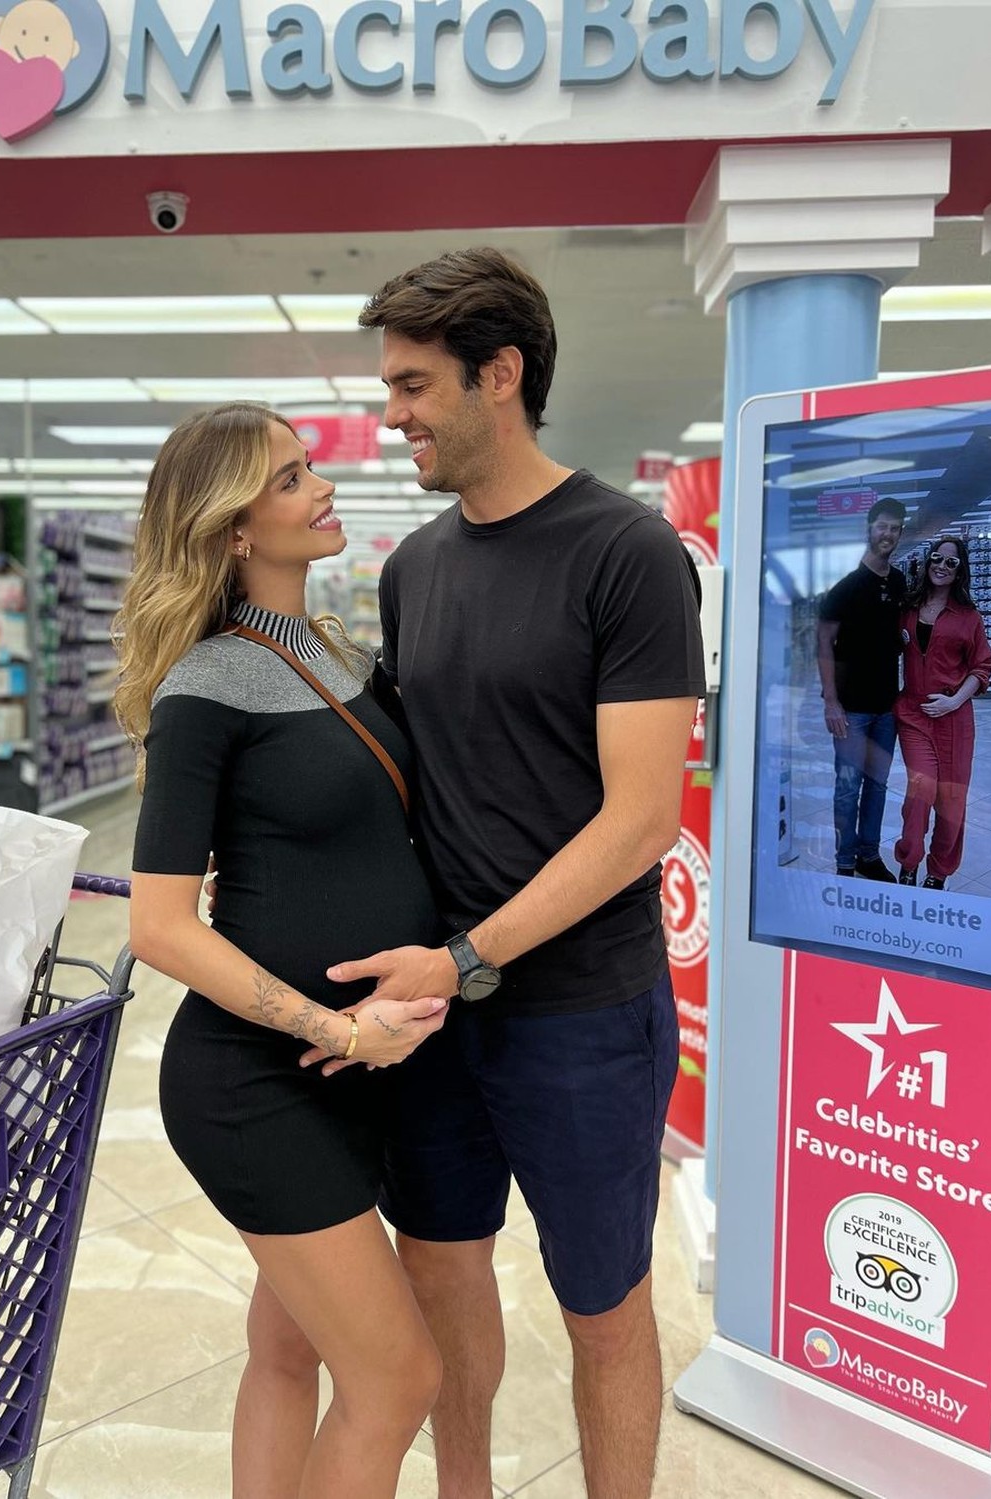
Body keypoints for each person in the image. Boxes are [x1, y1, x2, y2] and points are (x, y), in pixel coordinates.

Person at [298, 247, 705, 1499]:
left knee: (603, 1298)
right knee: (444, 1273)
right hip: (435, 1015)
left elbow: (637, 822)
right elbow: (415, 783)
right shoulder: (415, 569)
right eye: (388, 385)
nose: (392, 414)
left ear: (502, 374)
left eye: (414, 384)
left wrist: (473, 955)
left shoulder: (627, 554)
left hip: (582, 1008)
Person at [117, 403, 448, 1499]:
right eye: (293, 478)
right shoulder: (203, 687)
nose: (325, 486)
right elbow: (160, 924)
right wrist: (338, 1025)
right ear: (233, 529)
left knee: (290, 1348)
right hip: (260, 1081)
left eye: (312, 467)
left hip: (352, 1075)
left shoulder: (338, 651)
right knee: (399, 1379)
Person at [894, 535, 991, 890]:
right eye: (938, 557)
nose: (942, 565)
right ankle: (909, 861)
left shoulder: (969, 618)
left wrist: (954, 701)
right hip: (913, 714)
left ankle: (938, 873)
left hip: (954, 720)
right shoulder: (908, 608)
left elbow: (982, 667)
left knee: (951, 801)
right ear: (928, 561)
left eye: (952, 562)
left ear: (960, 570)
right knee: (922, 788)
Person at [816, 498, 908, 880]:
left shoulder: (900, 582)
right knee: (847, 788)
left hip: (887, 708)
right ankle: (844, 861)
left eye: (895, 528)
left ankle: (869, 856)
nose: (888, 534)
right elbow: (823, 645)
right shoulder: (845, 588)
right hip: (851, 710)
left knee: (878, 785)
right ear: (869, 529)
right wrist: (831, 702)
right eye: (882, 526)